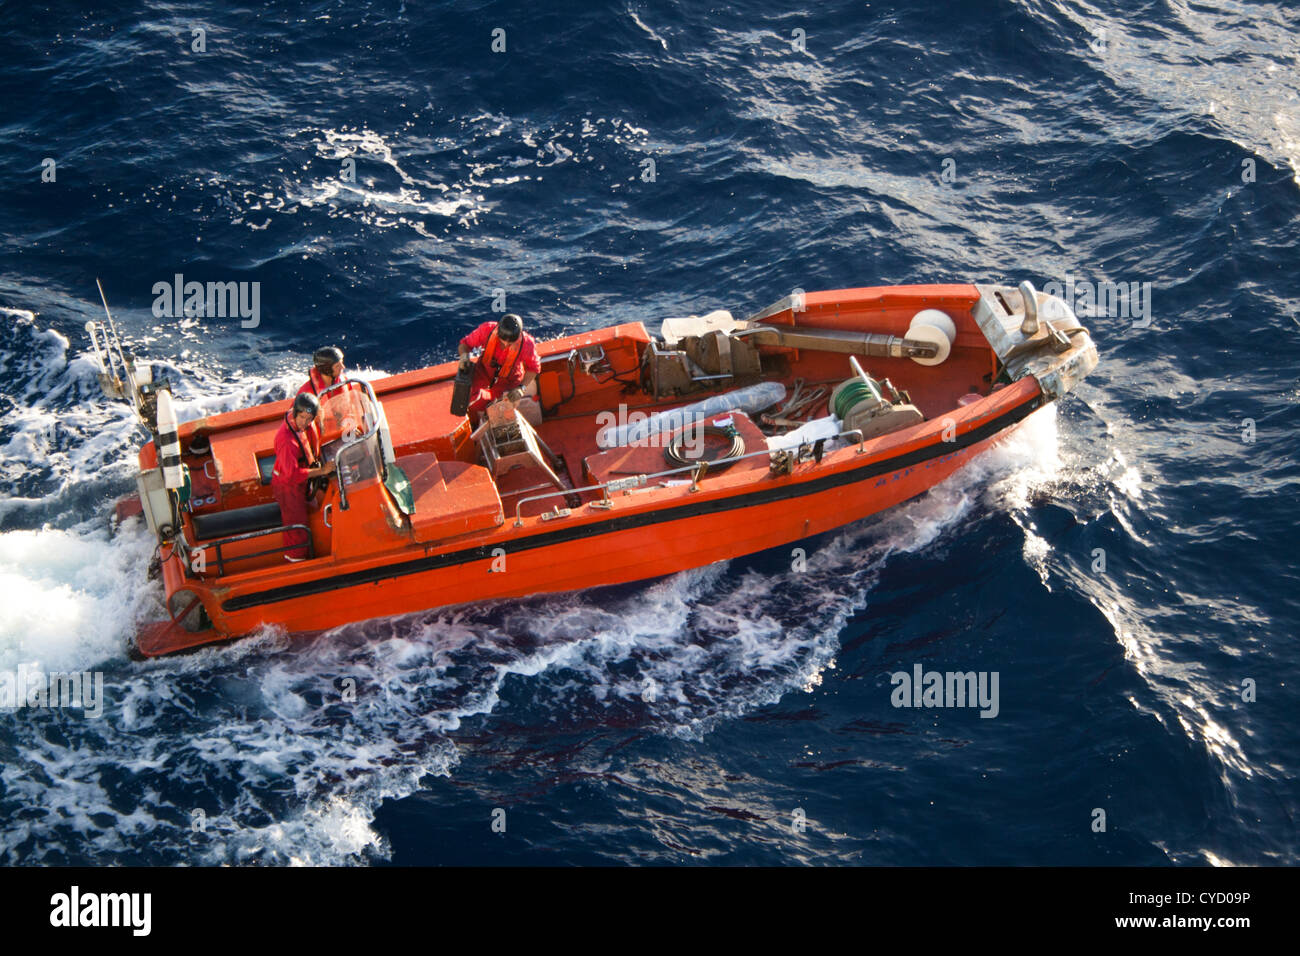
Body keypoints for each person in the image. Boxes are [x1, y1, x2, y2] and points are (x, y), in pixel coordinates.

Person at [272, 392, 336, 562]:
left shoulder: (303, 427)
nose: (305, 423)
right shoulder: (287, 441)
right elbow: (292, 475)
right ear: (295, 413)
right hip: (289, 487)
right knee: (297, 527)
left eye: (309, 419)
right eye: (302, 418)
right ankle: (296, 559)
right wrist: (322, 471)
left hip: (303, 482)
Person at [457, 313, 540, 416]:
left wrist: (521, 388)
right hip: (483, 372)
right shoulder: (487, 329)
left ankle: (493, 410)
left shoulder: (528, 344)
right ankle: (486, 407)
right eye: (502, 341)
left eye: (510, 344)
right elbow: (464, 344)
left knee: (504, 411)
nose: (505, 345)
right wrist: (464, 358)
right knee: (466, 397)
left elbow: (534, 368)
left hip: (509, 381)